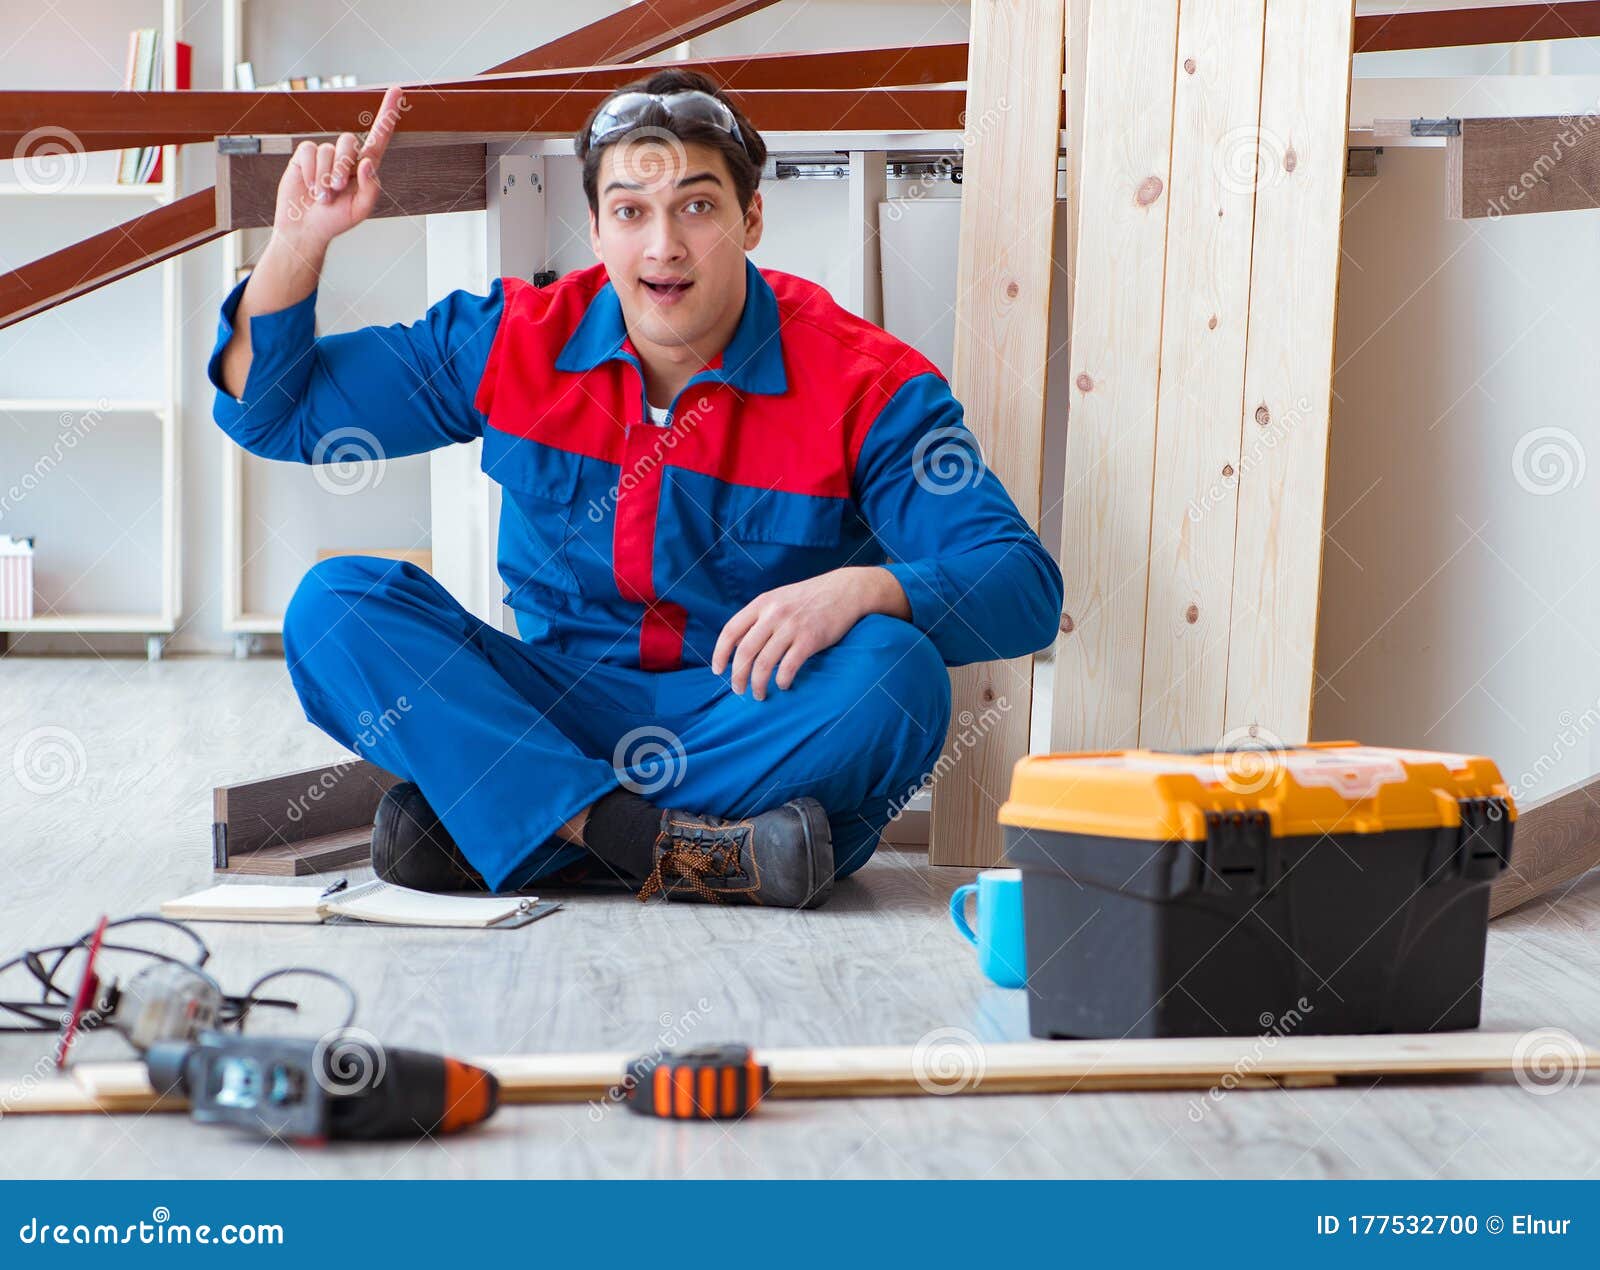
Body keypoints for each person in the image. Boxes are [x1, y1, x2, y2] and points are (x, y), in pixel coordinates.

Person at [208, 70, 1064, 909]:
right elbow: (275, 417)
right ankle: (669, 850)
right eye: (630, 212)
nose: (664, 246)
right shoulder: (514, 340)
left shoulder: (866, 383)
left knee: (896, 675)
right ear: (595, 228)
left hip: (740, 720)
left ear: (751, 217)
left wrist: (867, 588)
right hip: (558, 705)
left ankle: (520, 823)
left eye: (698, 206)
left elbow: (1022, 586)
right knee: (337, 607)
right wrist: (298, 241)